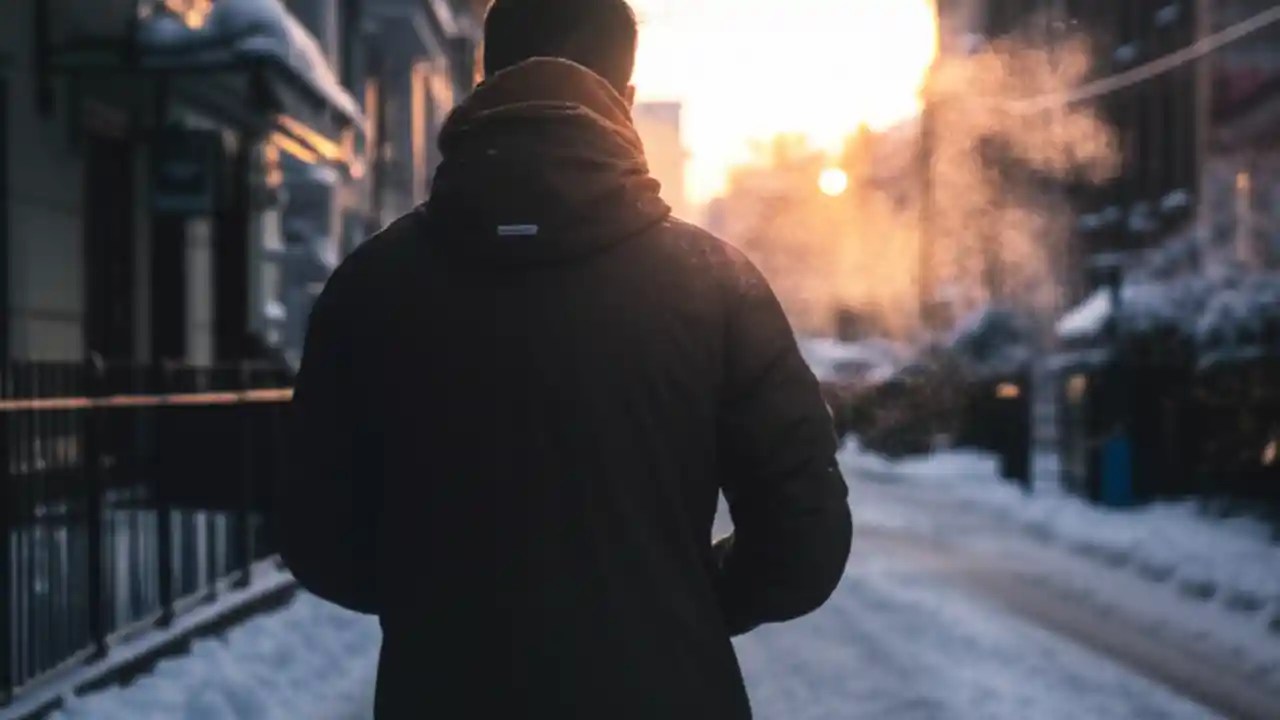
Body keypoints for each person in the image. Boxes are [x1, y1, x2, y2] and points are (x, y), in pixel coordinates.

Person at [278, 0, 852, 717]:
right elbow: (804, 538)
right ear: (628, 101)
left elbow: (316, 530)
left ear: (483, 80)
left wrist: (442, 604)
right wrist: (680, 601)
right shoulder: (713, 284)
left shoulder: (373, 284)